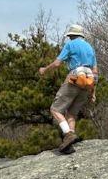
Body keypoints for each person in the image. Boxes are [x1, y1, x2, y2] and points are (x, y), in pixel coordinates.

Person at [38, 24, 98, 153]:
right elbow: (95, 72)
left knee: (55, 109)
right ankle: (69, 144)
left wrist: (45, 70)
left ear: (71, 35)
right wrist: (93, 92)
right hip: (88, 81)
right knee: (72, 113)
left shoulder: (70, 45)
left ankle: (68, 134)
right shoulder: (90, 48)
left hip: (75, 77)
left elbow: (57, 63)